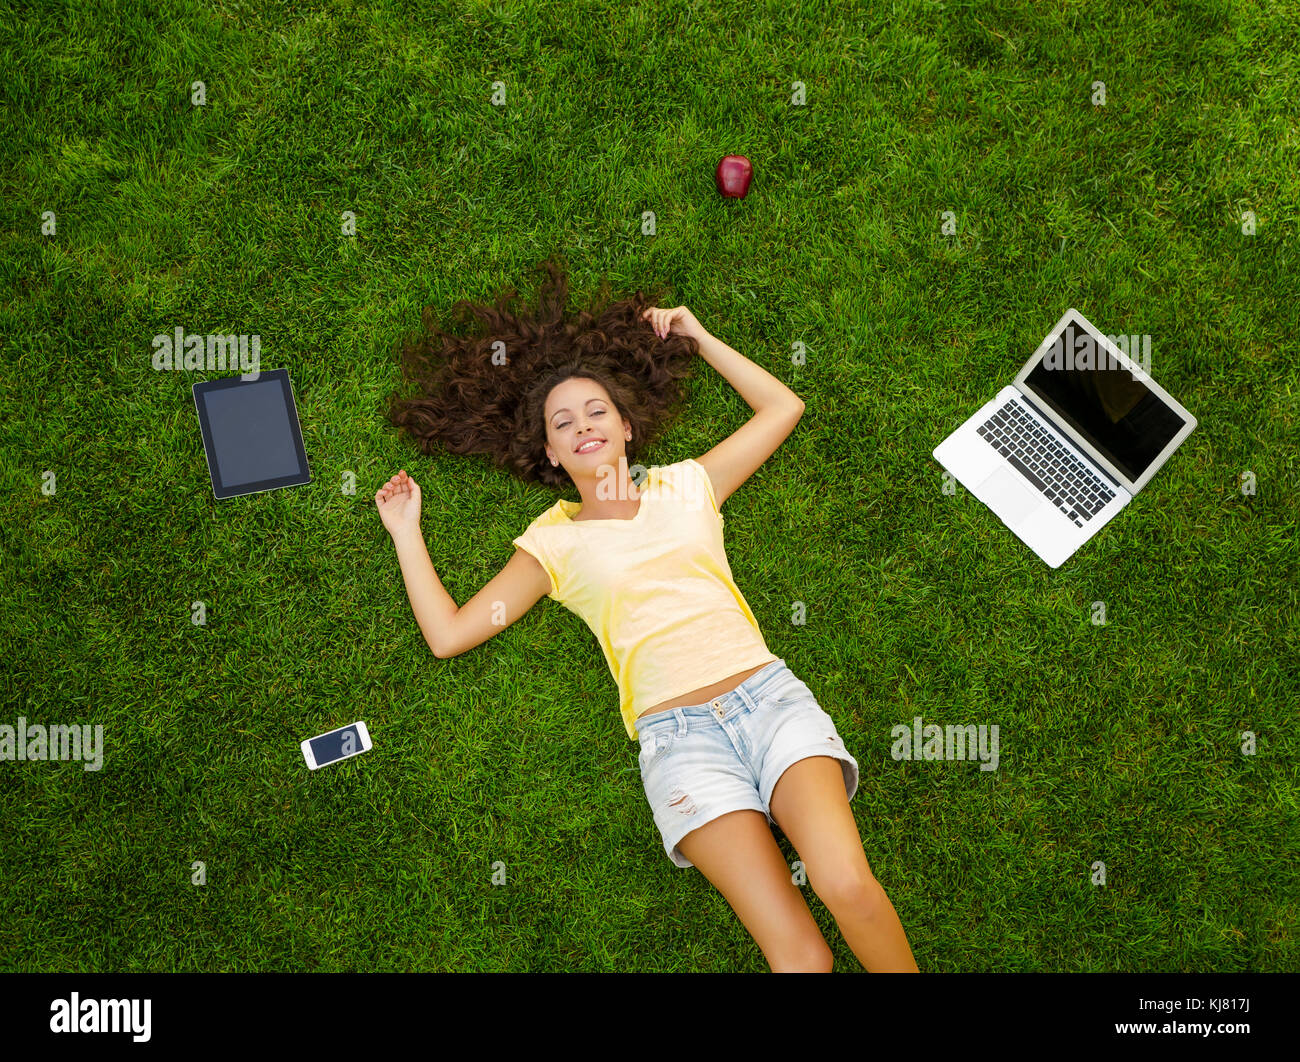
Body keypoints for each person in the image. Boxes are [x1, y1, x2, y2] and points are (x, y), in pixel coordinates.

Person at [376, 258, 919, 972]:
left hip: (768, 701)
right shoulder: (551, 544)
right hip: (680, 743)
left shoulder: (689, 486)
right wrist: (406, 532)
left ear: (626, 428)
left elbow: (783, 409)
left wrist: (697, 333)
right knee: (801, 960)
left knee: (845, 882)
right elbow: (448, 636)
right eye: (563, 422)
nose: (583, 426)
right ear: (551, 451)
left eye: (597, 411)